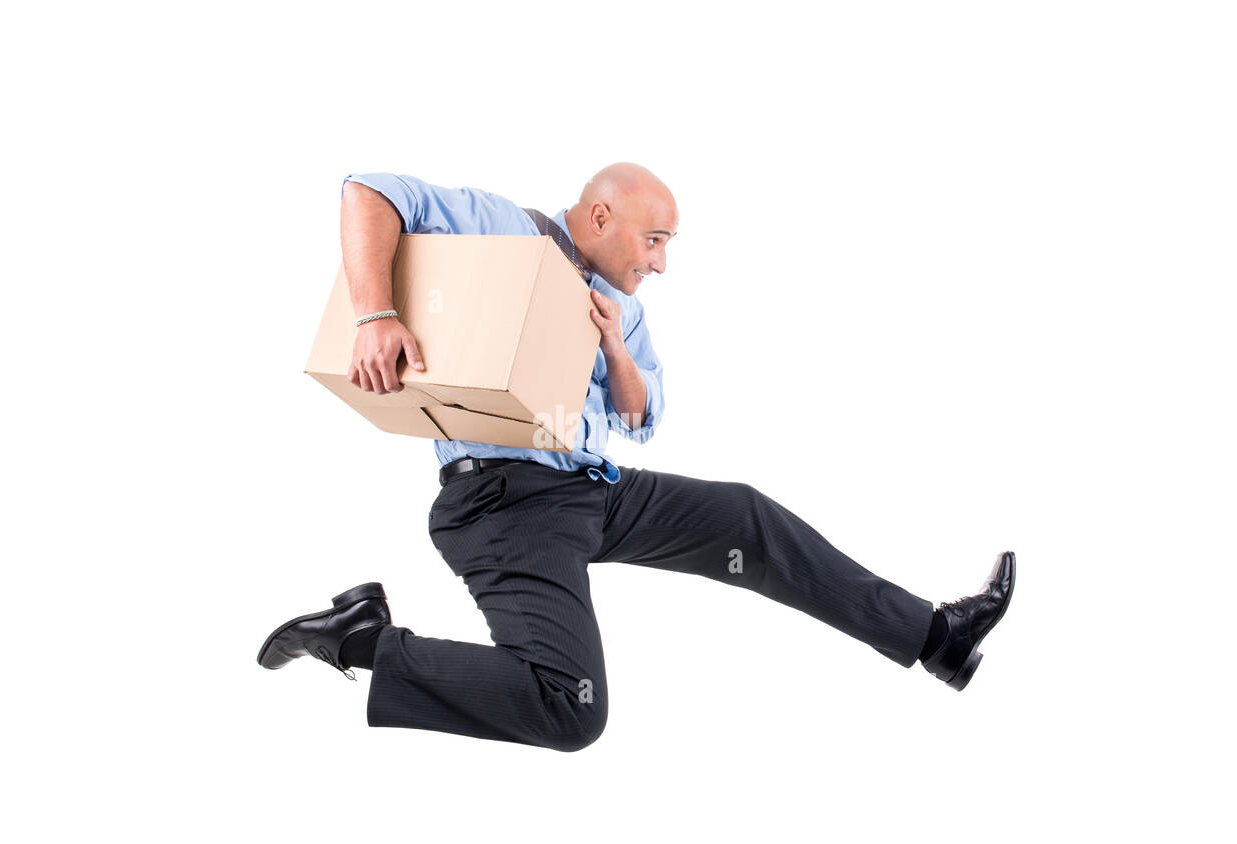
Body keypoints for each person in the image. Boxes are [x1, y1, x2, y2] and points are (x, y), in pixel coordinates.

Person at [256, 162, 1017, 752]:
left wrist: (615, 343)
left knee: (745, 519)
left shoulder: (628, 311)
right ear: (599, 216)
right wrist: (375, 315)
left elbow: (639, 416)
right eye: (655, 241)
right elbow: (367, 190)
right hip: (503, 501)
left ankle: (936, 637)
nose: (660, 263)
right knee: (572, 707)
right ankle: (362, 639)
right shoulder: (501, 228)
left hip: (594, 491)